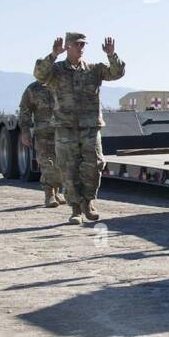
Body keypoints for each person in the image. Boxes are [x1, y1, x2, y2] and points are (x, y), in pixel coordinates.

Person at [34, 32, 125, 224]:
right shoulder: (57, 70)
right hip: (66, 128)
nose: (81, 48)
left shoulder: (93, 69)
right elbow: (39, 74)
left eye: (83, 44)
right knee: (69, 168)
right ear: (68, 47)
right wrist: (53, 55)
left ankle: (88, 202)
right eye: (77, 44)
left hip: (90, 127)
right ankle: (75, 208)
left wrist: (111, 55)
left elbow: (117, 73)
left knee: (95, 165)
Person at [17, 80, 63, 206]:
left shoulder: (61, 83)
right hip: (43, 133)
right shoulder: (32, 89)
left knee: (60, 163)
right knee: (46, 163)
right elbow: (25, 111)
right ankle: (49, 195)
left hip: (62, 131)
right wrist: (25, 131)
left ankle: (57, 191)